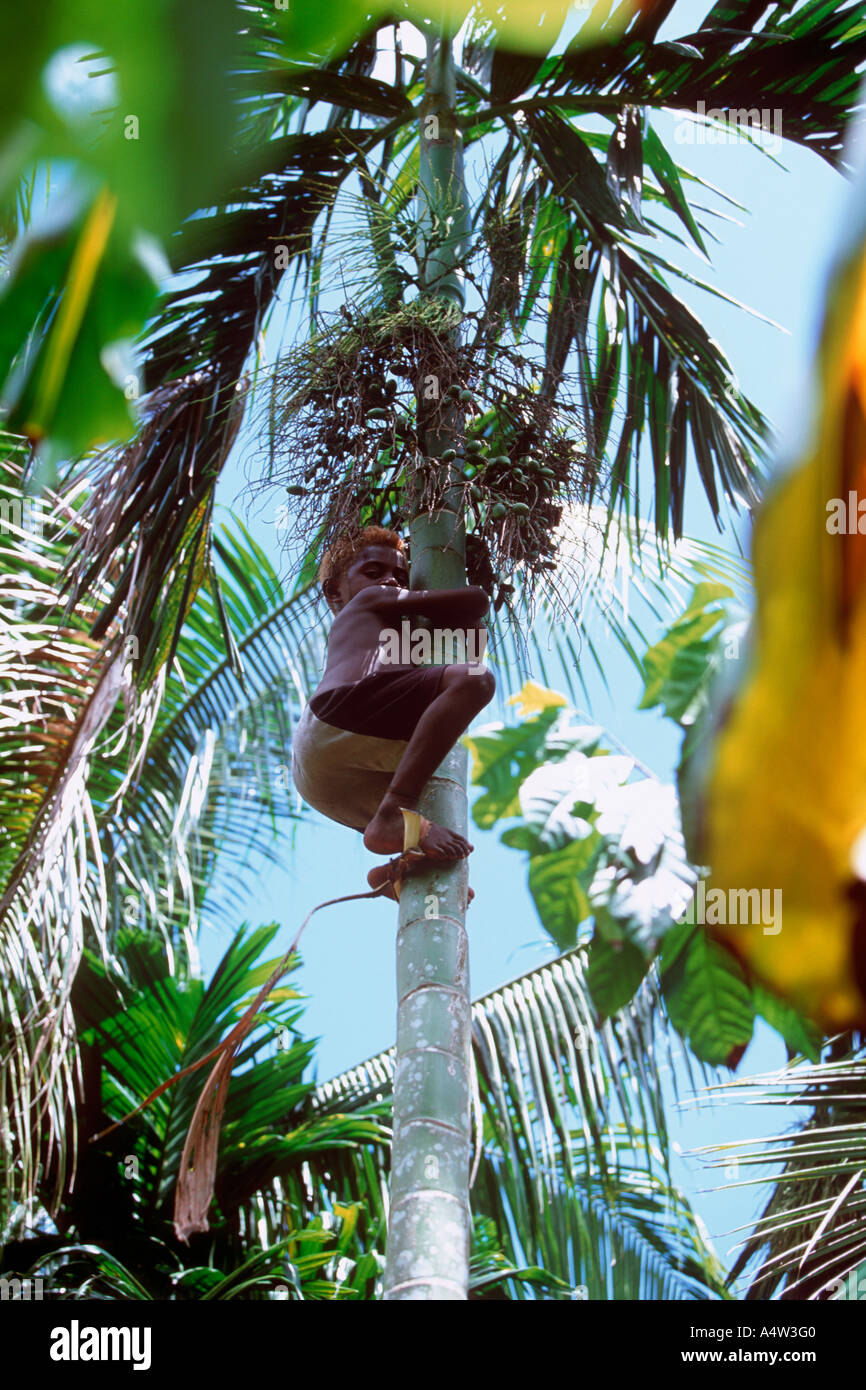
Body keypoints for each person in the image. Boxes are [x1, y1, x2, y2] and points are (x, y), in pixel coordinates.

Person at [291, 525, 496, 899]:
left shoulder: (397, 641)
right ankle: (392, 814)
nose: (389, 581)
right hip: (342, 713)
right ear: (334, 591)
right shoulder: (371, 603)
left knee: (424, 828)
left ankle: (397, 869)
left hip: (325, 776)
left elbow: (470, 639)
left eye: (399, 576)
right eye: (374, 573)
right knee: (475, 682)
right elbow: (475, 602)